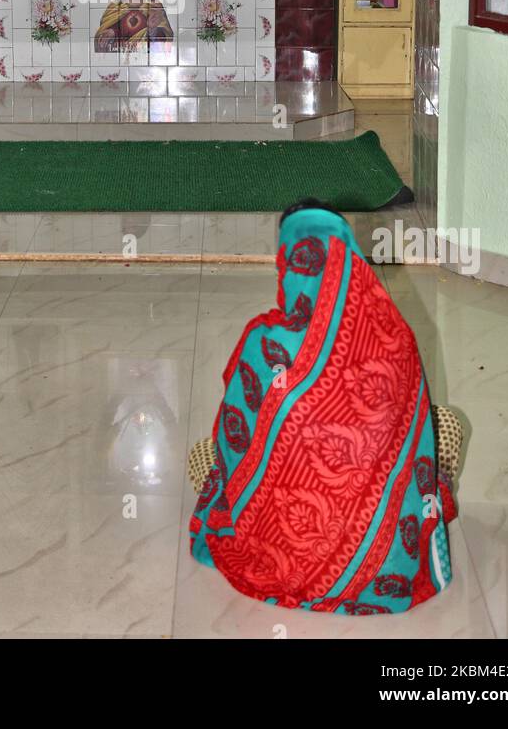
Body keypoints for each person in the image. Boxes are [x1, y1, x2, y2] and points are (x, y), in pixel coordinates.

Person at [189, 199, 456, 614]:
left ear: (287, 262)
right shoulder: (395, 335)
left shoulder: (265, 345)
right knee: (448, 427)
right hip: (386, 566)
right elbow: (416, 441)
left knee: (204, 458)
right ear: (348, 257)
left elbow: (231, 442)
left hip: (273, 555)